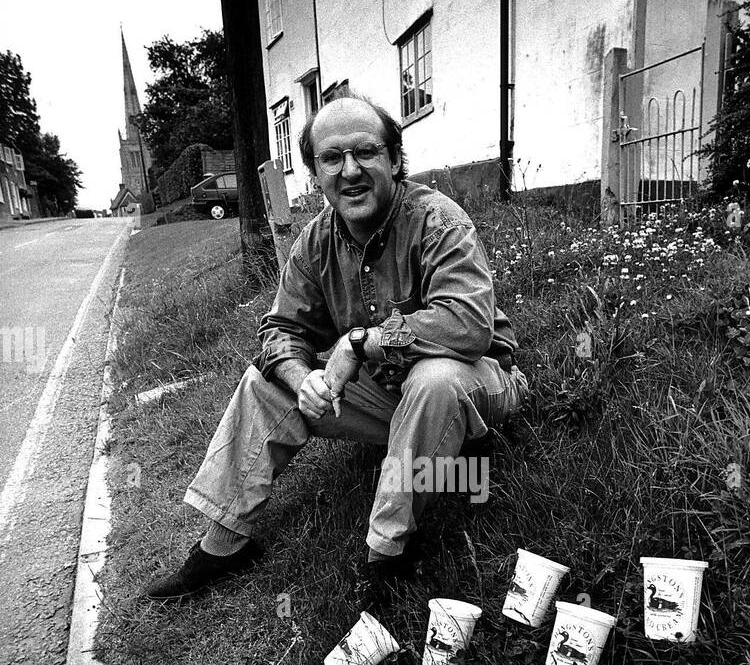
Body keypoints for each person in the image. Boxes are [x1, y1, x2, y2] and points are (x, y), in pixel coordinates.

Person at [146, 93, 528, 606]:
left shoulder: (439, 221)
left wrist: (362, 343)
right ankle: (224, 542)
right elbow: (280, 329)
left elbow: (468, 327)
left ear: (395, 159)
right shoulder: (315, 242)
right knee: (264, 383)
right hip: (393, 401)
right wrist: (302, 378)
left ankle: (387, 553)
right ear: (315, 173)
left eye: (366, 152)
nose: (350, 171)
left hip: (478, 388)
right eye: (331, 158)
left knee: (433, 378)